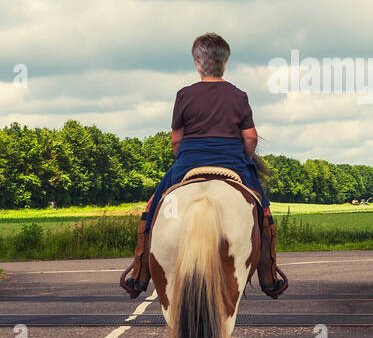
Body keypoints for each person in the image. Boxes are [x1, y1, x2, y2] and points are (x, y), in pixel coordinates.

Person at [119, 32, 289, 300]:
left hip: (189, 161)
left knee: (152, 207)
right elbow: (251, 136)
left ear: (197, 63)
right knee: (263, 211)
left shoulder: (184, 95)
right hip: (233, 162)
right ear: (225, 63)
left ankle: (140, 272)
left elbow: (176, 138)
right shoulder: (238, 95)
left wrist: (183, 156)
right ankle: (269, 275)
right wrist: (245, 159)